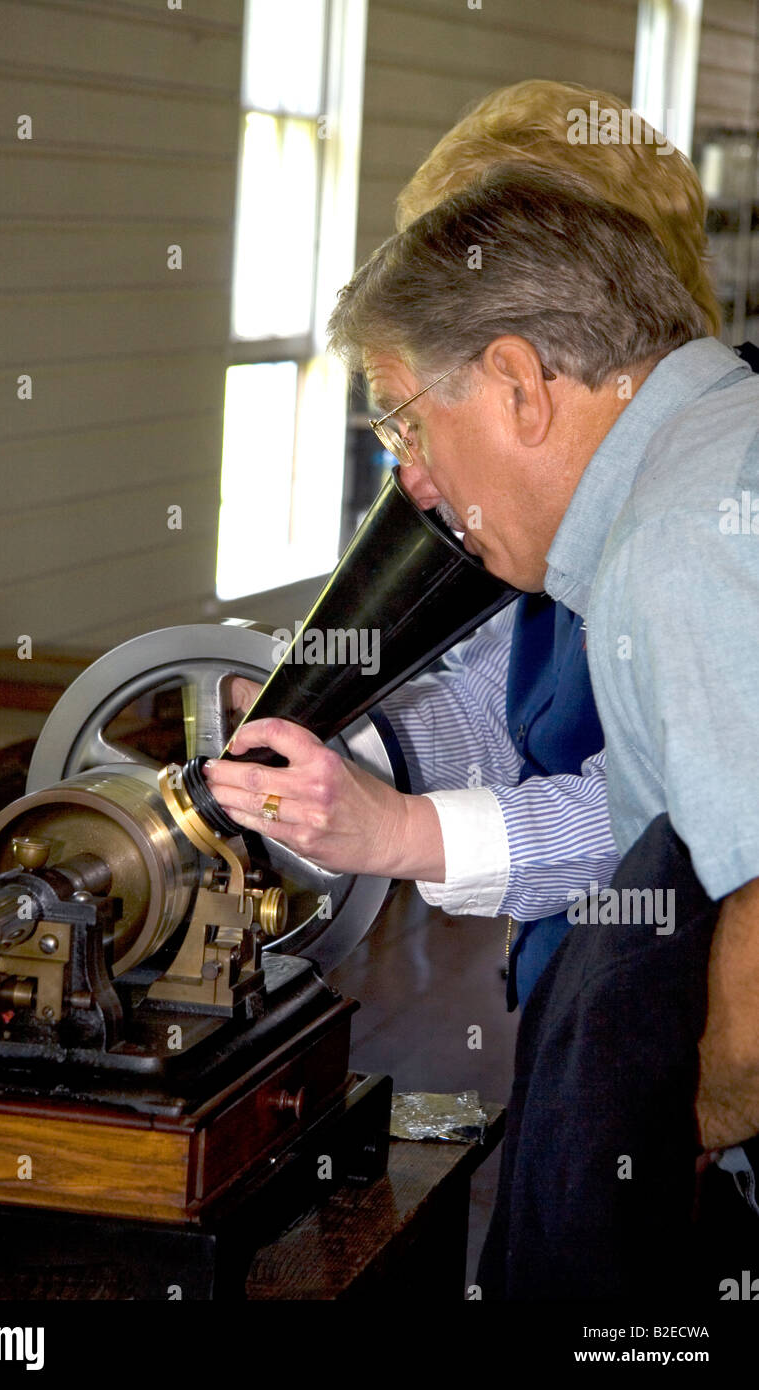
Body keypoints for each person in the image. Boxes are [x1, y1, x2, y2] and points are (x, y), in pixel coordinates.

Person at [216, 163, 759, 1297]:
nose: (410, 482)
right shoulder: (718, 451)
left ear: (515, 383)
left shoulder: (678, 543)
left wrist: (684, 1117)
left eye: (404, 425)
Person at [226, 80, 721, 1011]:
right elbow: (505, 712)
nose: (412, 479)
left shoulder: (711, 505)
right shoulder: (556, 501)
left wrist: (408, 832)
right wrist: (350, 751)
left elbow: (673, 821)